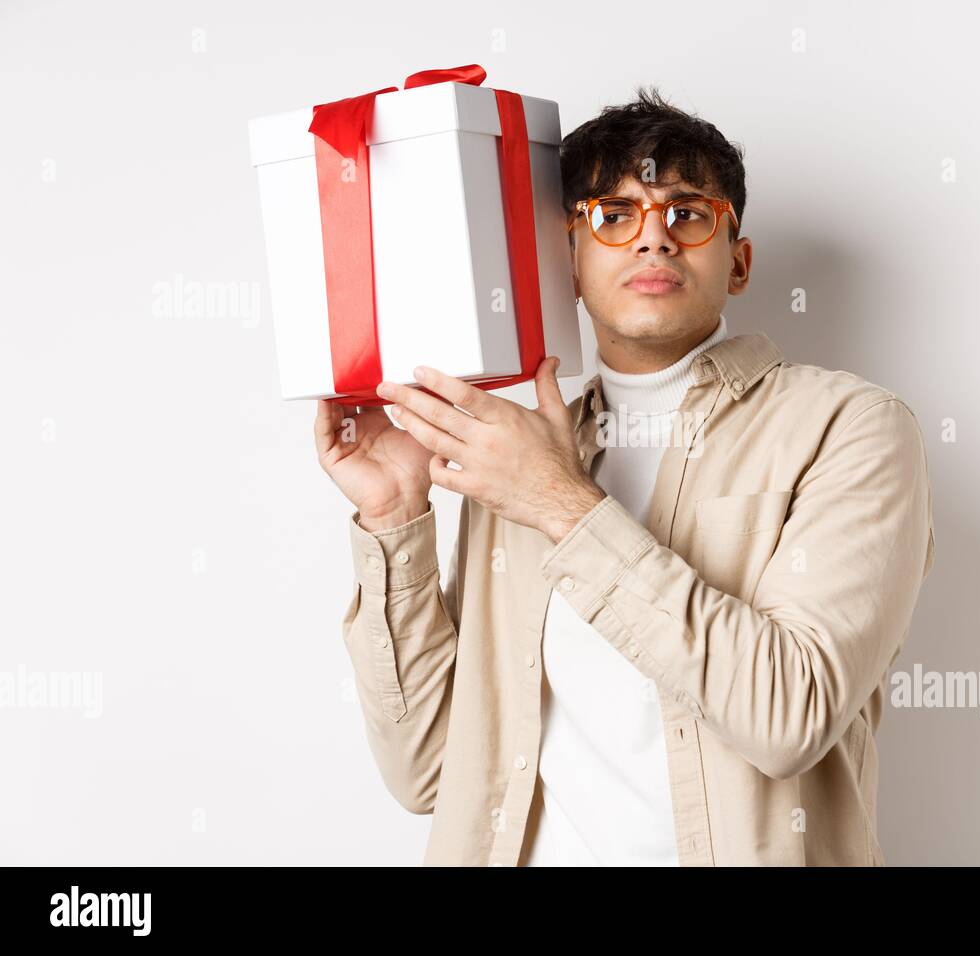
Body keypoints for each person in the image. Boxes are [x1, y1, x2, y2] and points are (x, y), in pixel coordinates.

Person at [313, 87, 935, 866]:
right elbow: (429, 769)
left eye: (687, 213)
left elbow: (788, 717)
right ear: (566, 260)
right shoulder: (524, 449)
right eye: (613, 215)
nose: (654, 240)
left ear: (737, 261)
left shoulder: (851, 427)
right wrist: (397, 515)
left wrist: (559, 502)